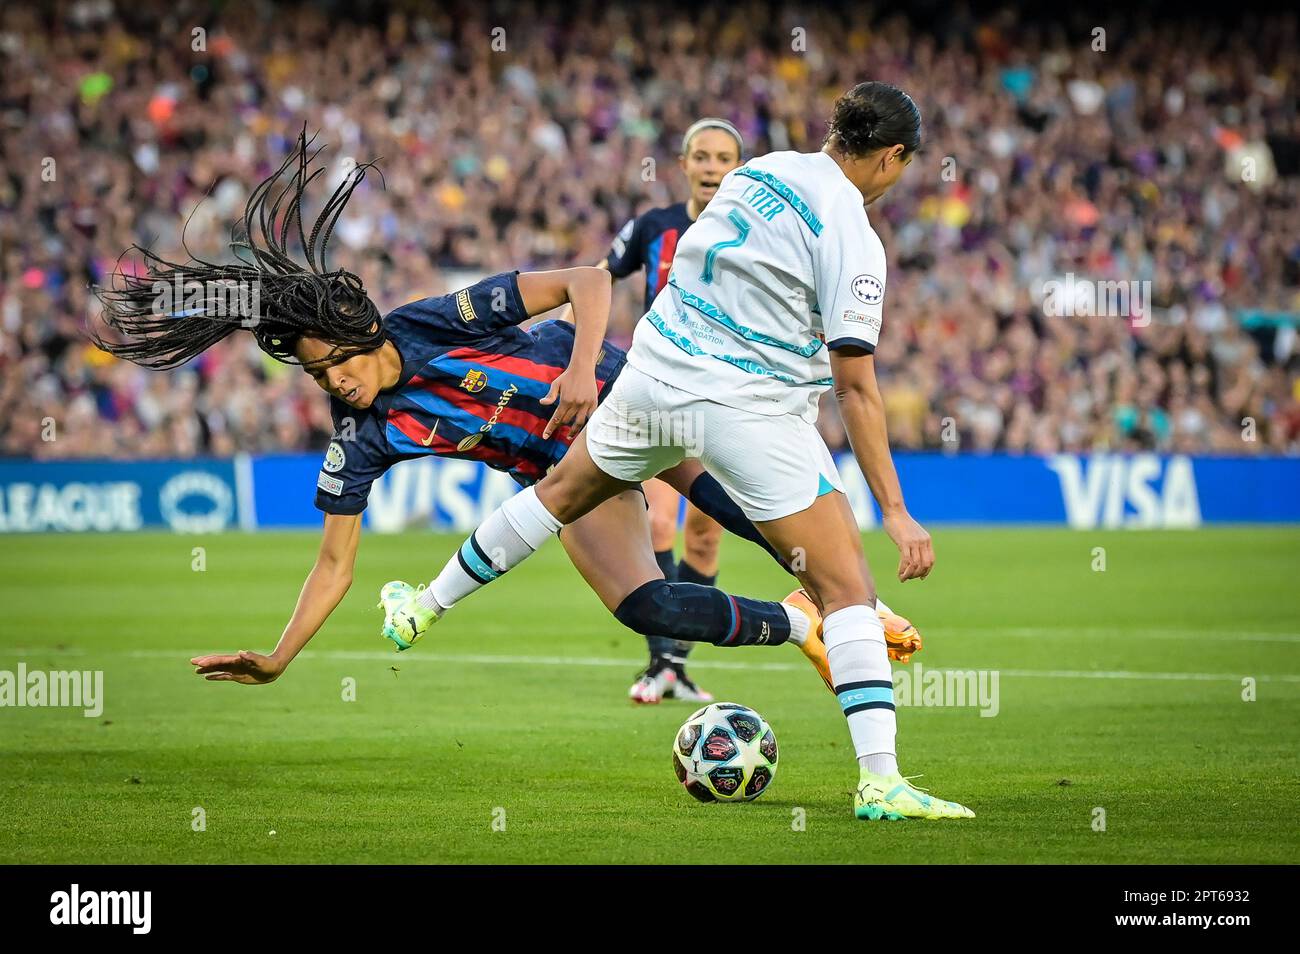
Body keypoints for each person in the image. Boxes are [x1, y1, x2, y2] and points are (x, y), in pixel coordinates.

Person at [90, 130, 922, 701]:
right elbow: (334, 567)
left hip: (624, 394)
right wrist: (277, 658)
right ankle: (801, 622)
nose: (334, 385)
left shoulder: (433, 318)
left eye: (335, 362)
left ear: (360, 331)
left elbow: (588, 281)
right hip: (556, 475)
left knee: (739, 510)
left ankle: (855, 605)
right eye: (318, 378)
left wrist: (579, 371)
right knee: (646, 605)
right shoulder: (363, 440)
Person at [388, 82, 973, 820]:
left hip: (651, 379)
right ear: (892, 158)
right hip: (743, 406)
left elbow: (687, 259)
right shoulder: (852, 234)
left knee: (558, 494)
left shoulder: (757, 172)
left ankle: (424, 603)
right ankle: (881, 780)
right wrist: (896, 511)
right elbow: (856, 387)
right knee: (849, 588)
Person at [597, 118, 744, 704]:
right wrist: (577, 352)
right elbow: (596, 281)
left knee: (707, 536)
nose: (711, 167)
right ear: (683, 165)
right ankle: (658, 663)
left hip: (728, 396)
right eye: (702, 157)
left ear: (740, 169)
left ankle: (674, 668)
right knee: (658, 522)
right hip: (658, 390)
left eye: (724, 158)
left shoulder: (755, 233)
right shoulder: (653, 228)